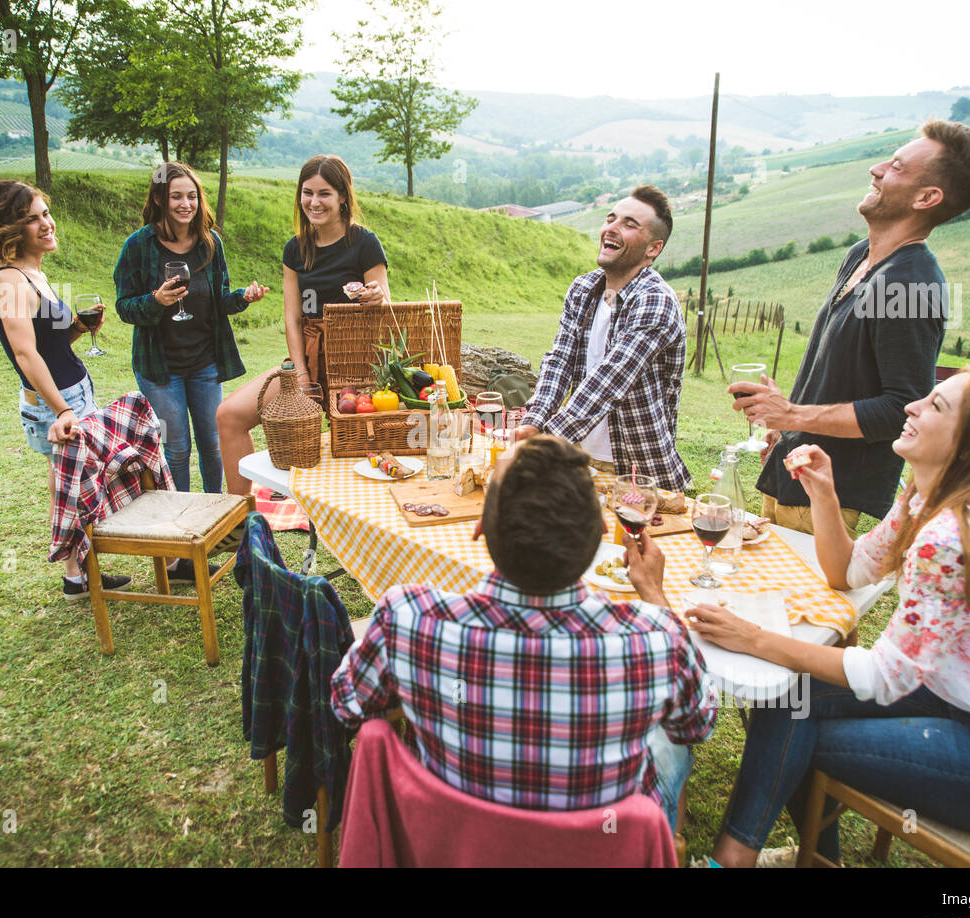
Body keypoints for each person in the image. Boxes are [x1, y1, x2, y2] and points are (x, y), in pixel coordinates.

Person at [689, 366, 970, 867]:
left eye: (936, 406)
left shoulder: (956, 539)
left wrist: (754, 638)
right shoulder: (930, 496)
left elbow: (884, 677)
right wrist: (824, 493)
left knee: (798, 729)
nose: (911, 406)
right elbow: (847, 571)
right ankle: (795, 859)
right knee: (789, 697)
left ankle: (750, 860)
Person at [331, 435, 717, 831]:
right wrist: (653, 593)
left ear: (481, 528)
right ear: (601, 529)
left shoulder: (406, 619)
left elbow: (348, 703)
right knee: (672, 745)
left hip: (456, 850)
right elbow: (697, 723)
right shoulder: (658, 640)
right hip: (598, 849)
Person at [730, 119, 970, 536]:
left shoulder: (910, 285)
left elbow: (899, 408)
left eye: (896, 166)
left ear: (927, 197)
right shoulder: (861, 256)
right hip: (790, 467)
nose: (876, 169)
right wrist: (787, 426)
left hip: (831, 491)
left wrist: (794, 413)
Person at [0, 179, 130, 600]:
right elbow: (25, 355)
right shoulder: (8, 281)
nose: (46, 223)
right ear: (9, 230)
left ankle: (78, 577)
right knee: (81, 484)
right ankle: (80, 574)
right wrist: (62, 412)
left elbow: (47, 345)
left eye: (45, 213)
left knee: (78, 485)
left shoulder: (32, 273)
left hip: (73, 394)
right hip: (57, 405)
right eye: (32, 218)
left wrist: (77, 327)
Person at [218, 155, 389, 495]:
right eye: (307, 192)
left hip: (357, 366)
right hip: (308, 358)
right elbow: (293, 317)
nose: (314, 202)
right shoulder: (295, 249)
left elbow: (384, 303)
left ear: (343, 196)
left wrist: (376, 298)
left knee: (361, 451)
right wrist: (299, 374)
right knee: (229, 415)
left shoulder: (365, 243)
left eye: (324, 193)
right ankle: (240, 524)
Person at [513, 185, 691, 493]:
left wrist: (546, 442)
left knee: (633, 541)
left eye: (629, 224)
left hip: (638, 473)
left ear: (653, 248)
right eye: (611, 218)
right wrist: (535, 418)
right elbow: (560, 360)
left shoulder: (655, 300)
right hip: (576, 457)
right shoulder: (583, 289)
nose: (612, 228)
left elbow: (610, 380)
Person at [114, 162, 267, 501]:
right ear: (160, 200)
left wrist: (242, 297)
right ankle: (182, 518)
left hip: (205, 363)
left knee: (213, 444)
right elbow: (124, 307)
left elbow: (219, 301)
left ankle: (214, 510)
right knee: (178, 448)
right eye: (176, 197)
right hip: (160, 368)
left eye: (192, 196)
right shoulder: (138, 246)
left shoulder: (209, 243)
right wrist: (155, 301)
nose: (186, 204)